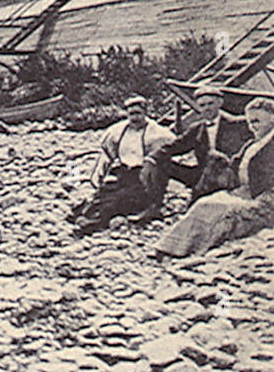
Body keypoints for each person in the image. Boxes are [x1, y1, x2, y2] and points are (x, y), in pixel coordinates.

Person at [155, 97, 274, 257]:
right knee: (205, 203)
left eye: (257, 121)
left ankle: (194, 251)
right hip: (243, 192)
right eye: (250, 122)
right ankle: (172, 248)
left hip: (265, 200)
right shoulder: (252, 143)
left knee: (218, 210)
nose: (252, 126)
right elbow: (234, 166)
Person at [139, 86, 251, 222]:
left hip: (227, 175)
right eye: (203, 105)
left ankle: (198, 201)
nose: (207, 108)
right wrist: (152, 157)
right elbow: (175, 146)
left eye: (210, 103)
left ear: (219, 103)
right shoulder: (197, 128)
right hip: (201, 175)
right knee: (161, 162)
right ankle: (155, 207)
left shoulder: (237, 124)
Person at [72, 96, 174, 235]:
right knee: (104, 193)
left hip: (144, 177)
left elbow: (161, 162)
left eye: (138, 113)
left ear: (145, 113)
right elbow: (107, 156)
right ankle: (86, 214)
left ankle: (94, 223)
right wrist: (97, 177)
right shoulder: (118, 131)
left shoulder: (156, 133)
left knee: (121, 199)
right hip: (124, 172)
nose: (134, 118)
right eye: (131, 114)